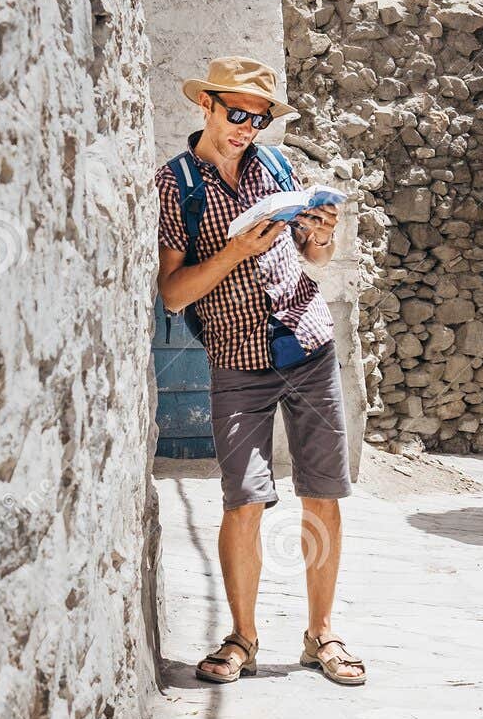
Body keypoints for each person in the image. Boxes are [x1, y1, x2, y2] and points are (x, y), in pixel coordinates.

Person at [155, 57, 365, 686]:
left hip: (307, 342)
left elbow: (313, 257)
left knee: (322, 493)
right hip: (236, 359)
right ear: (208, 107)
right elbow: (172, 294)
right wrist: (232, 251)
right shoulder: (175, 185)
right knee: (244, 500)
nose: (248, 126)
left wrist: (323, 234)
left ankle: (321, 635)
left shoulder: (274, 167)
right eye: (237, 113)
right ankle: (242, 638)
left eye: (260, 117)